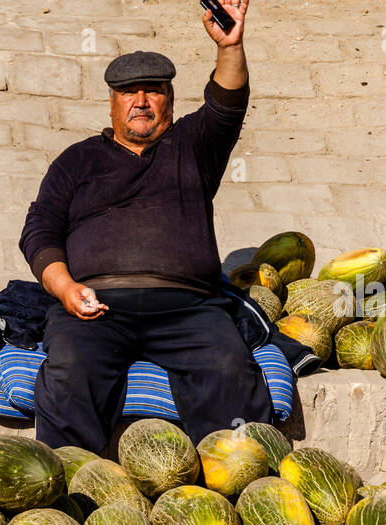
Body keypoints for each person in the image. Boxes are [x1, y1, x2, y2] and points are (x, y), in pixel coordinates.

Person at [18, 0, 274, 453]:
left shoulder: (192, 145)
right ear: (112, 102)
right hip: (95, 304)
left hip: (189, 308)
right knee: (71, 369)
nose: (141, 101)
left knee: (229, 369)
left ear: (170, 100)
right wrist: (64, 288)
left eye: (153, 91)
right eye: (128, 92)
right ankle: (73, 491)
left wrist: (230, 45)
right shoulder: (77, 159)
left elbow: (228, 102)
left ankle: (236, 488)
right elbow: (40, 230)